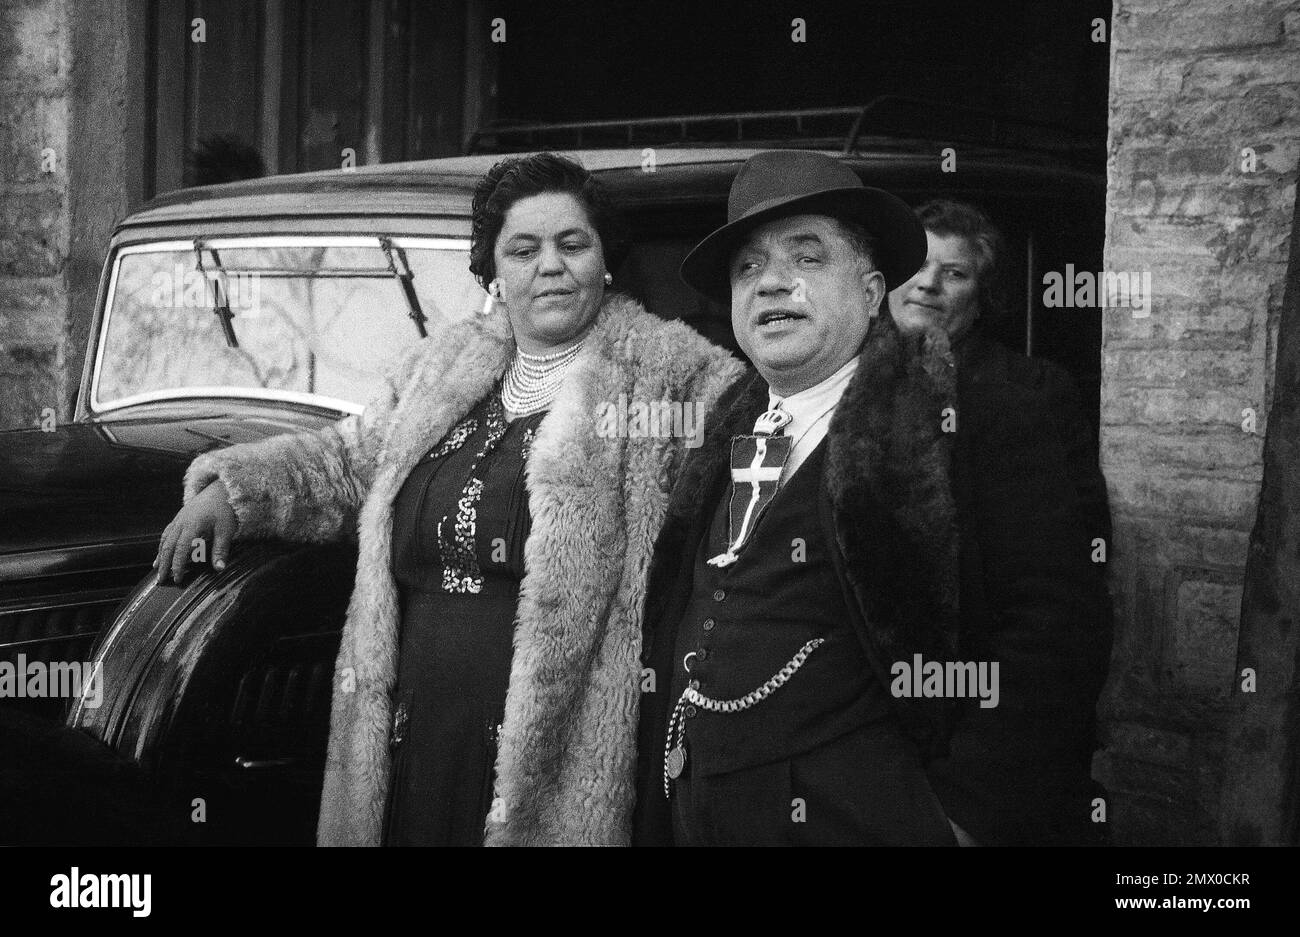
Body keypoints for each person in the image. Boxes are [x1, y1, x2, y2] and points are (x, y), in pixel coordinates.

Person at [156, 152, 744, 846]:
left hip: (560, 749)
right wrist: (232, 490)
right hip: (418, 730)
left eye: (572, 243)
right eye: (523, 249)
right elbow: (345, 460)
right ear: (494, 273)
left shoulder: (671, 377)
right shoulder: (446, 364)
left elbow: (750, 480)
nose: (549, 265)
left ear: (606, 260)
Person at [632, 150, 1111, 846]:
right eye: (748, 267)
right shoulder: (726, 422)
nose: (771, 283)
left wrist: (963, 816)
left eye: (807, 257)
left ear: (871, 288)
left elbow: (1056, 629)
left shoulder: (975, 414)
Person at [889, 198, 1111, 548]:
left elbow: (1073, 536)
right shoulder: (841, 379)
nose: (928, 284)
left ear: (981, 299)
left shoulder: (1036, 390)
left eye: (955, 273)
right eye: (917, 265)